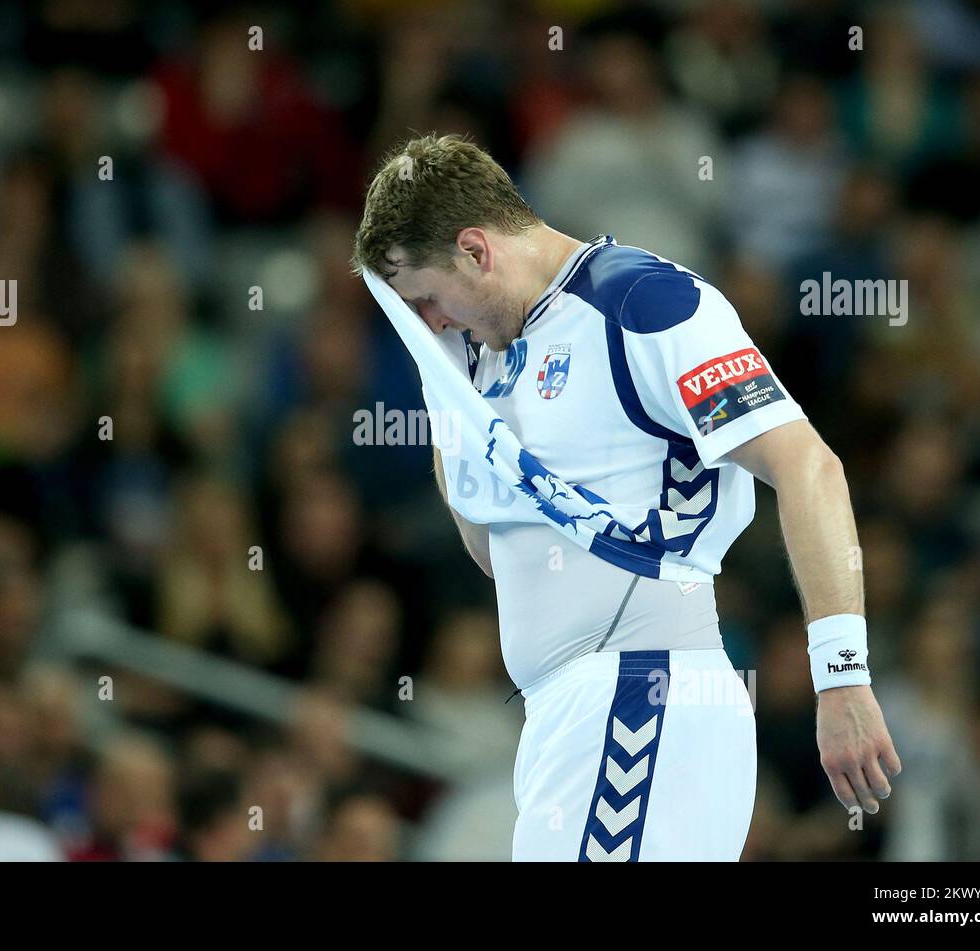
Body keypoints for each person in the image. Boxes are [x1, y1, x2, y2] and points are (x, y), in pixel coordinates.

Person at [351, 133, 901, 861]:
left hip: (644, 690)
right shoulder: (487, 359)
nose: (432, 325)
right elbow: (493, 554)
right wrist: (449, 396)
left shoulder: (642, 301)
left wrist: (842, 675)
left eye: (426, 300)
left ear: (477, 251)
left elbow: (809, 466)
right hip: (568, 713)